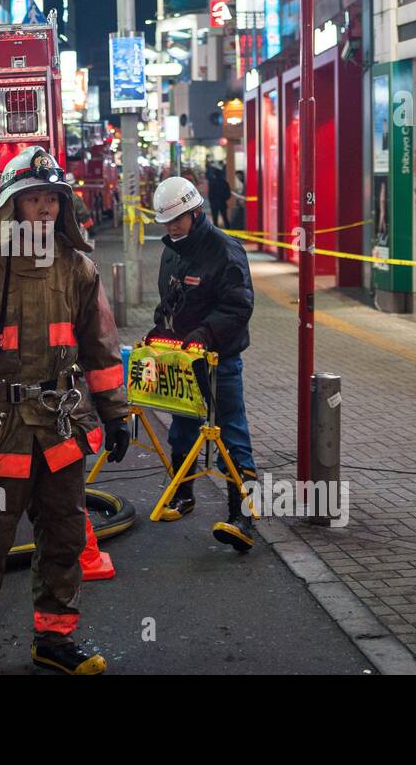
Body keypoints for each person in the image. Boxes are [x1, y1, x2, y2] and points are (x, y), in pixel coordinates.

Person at [0, 146, 131, 675]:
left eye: (51, 199)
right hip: (2, 433)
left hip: (62, 430)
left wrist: (115, 412)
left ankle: (55, 639)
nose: (43, 208)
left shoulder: (77, 269)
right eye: (32, 199)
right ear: (11, 207)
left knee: (65, 536)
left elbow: (102, 349)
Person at [149, 175, 257, 552]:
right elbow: (172, 297)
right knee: (182, 430)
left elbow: (239, 305)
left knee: (232, 434)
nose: (172, 228)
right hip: (183, 360)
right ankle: (183, 494)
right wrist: (160, 324)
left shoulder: (225, 250)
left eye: (177, 220)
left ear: (196, 213)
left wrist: (205, 334)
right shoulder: (172, 249)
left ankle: (242, 515)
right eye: (166, 223)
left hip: (219, 361)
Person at [205, 158, 231, 227]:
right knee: (225, 218)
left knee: (215, 219)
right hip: (222, 203)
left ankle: (216, 232)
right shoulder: (225, 183)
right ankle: (229, 231)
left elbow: (210, 194)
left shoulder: (212, 183)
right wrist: (224, 199)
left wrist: (212, 201)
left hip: (214, 203)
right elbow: (228, 194)